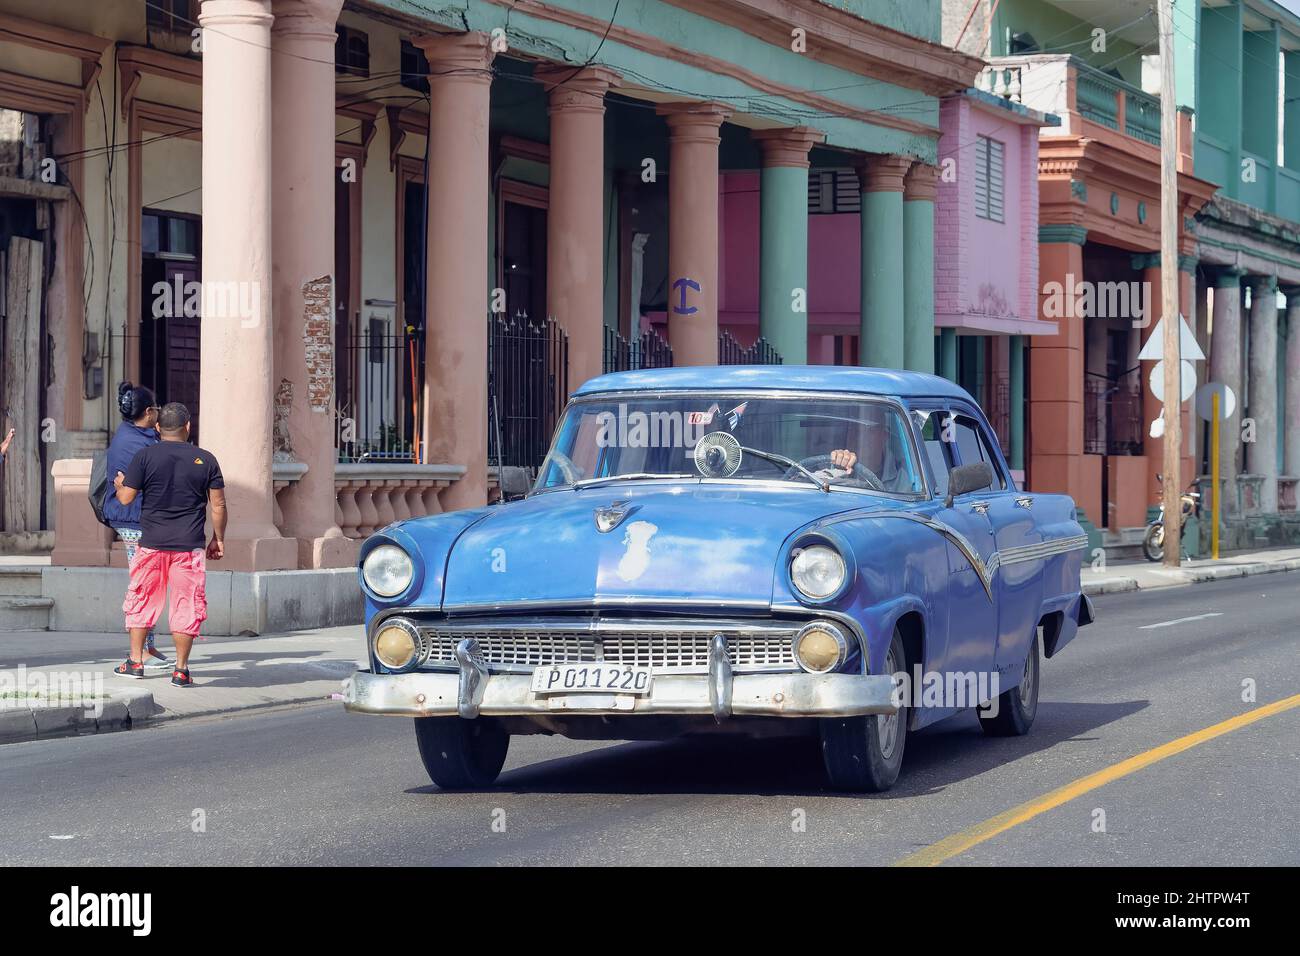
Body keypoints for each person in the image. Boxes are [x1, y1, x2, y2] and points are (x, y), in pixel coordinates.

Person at [112, 402, 226, 687]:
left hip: (150, 544)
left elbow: (126, 498)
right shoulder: (206, 459)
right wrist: (218, 538)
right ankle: (181, 669)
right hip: (188, 547)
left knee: (142, 599)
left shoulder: (145, 456)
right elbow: (218, 505)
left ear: (159, 428)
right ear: (188, 427)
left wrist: (119, 485)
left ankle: (135, 662)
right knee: (187, 605)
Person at [105, 382, 172, 670]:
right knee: (143, 585)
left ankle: (149, 645)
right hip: (133, 520)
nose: (158, 413)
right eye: (156, 409)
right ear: (148, 412)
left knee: (150, 583)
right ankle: (139, 652)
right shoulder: (137, 442)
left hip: (138, 518)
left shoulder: (136, 435)